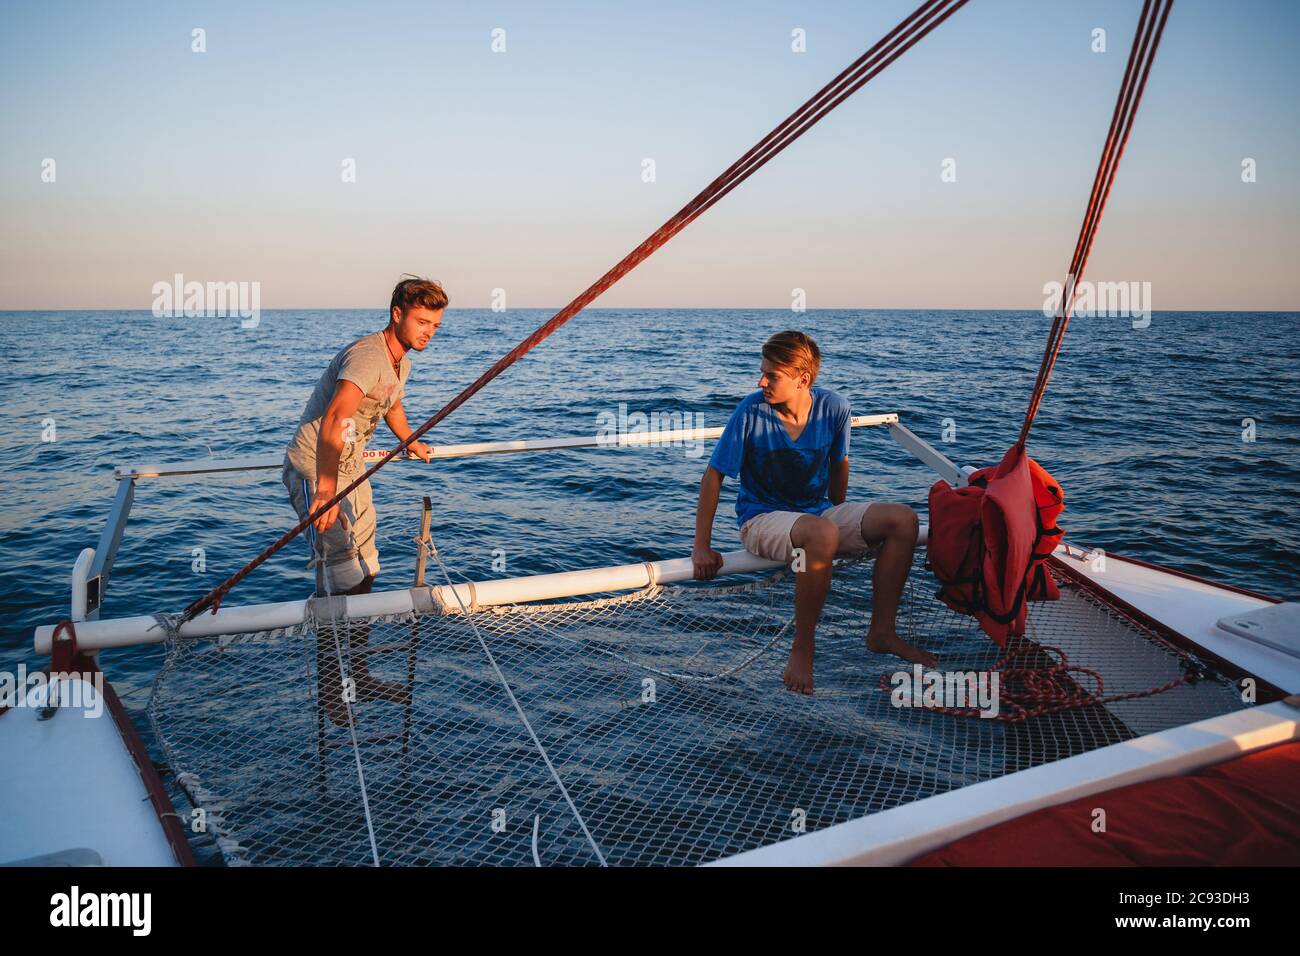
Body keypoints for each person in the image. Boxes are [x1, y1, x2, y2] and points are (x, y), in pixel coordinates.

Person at [691, 330, 936, 694]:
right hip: (761, 518)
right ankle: (803, 648)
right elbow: (713, 477)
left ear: (802, 380)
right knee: (821, 534)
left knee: (903, 520)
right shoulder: (750, 410)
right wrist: (702, 546)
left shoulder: (835, 408)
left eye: (772, 375)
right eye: (762, 372)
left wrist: (841, 516)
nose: (761, 382)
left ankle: (882, 631)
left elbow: (840, 465)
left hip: (817, 515)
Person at [282, 275, 447, 722]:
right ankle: (334, 694)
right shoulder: (369, 355)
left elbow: (390, 403)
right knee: (343, 581)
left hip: (351, 469)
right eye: (421, 321)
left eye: (435, 324)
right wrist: (325, 489)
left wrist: (409, 440)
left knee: (368, 573)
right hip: (319, 470)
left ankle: (361, 674)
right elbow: (336, 416)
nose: (428, 331)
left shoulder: (400, 361)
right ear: (397, 314)